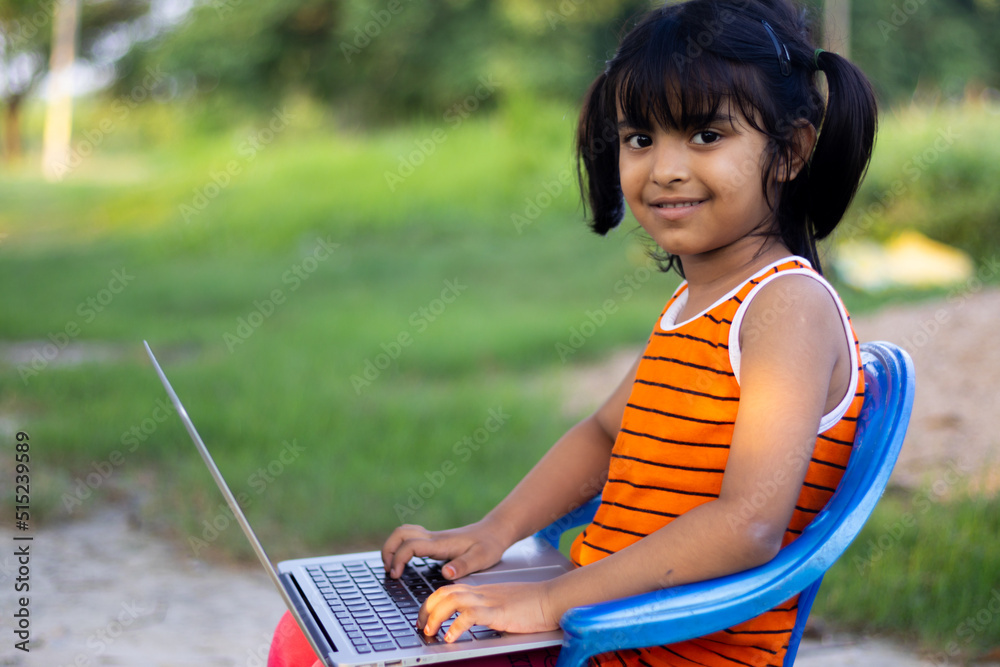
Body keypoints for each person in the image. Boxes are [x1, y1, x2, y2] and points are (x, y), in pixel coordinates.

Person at [268, 0, 877, 665]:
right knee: (316, 635)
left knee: (315, 650)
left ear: (789, 152)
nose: (665, 167)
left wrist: (548, 601)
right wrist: (493, 533)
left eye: (706, 136)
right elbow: (601, 433)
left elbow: (748, 525)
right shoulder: (699, 302)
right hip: (595, 626)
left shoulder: (786, 307)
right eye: (640, 138)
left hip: (656, 647)